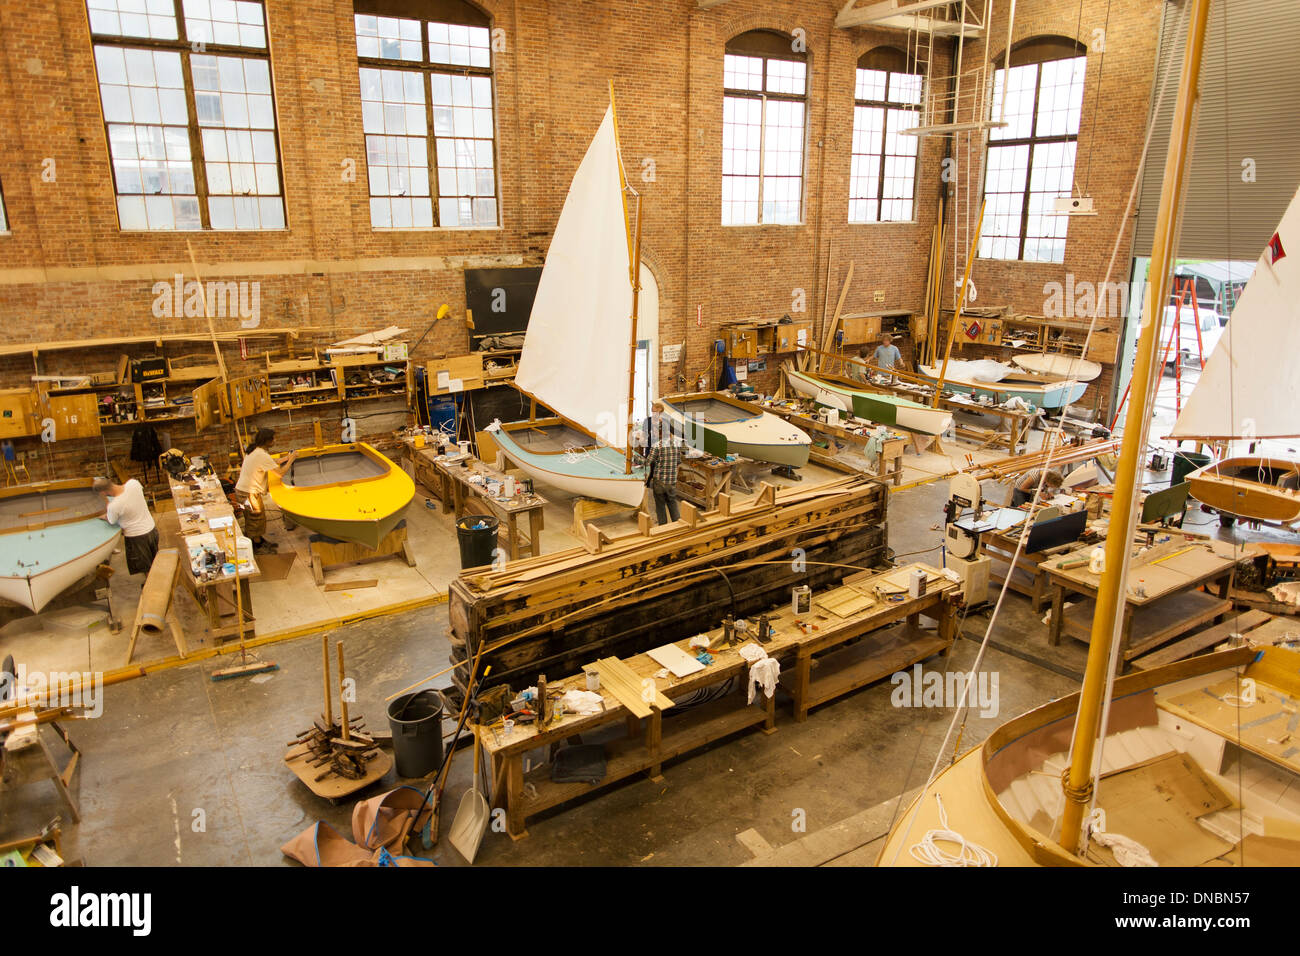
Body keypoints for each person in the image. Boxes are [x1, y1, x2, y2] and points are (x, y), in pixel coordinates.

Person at [235, 428, 297, 553]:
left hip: (245, 491)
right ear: (267, 441)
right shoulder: (261, 455)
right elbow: (280, 473)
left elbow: (271, 462)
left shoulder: (255, 451)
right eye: (273, 439)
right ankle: (257, 547)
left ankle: (258, 540)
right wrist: (292, 459)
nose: (275, 440)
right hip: (248, 493)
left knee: (256, 519)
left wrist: (285, 458)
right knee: (256, 519)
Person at [94, 476, 159, 575]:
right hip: (152, 530)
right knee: (155, 560)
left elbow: (111, 520)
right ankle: (155, 580)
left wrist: (104, 516)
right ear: (110, 482)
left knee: (146, 567)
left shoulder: (114, 505)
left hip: (137, 537)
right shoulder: (133, 484)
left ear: (103, 493)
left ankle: (153, 587)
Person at [643, 402, 683, 525]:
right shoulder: (675, 444)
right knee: (672, 502)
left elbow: (647, 462)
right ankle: (678, 525)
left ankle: (663, 527)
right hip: (671, 481)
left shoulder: (657, 445)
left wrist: (634, 459)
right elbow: (678, 462)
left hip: (660, 481)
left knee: (660, 505)